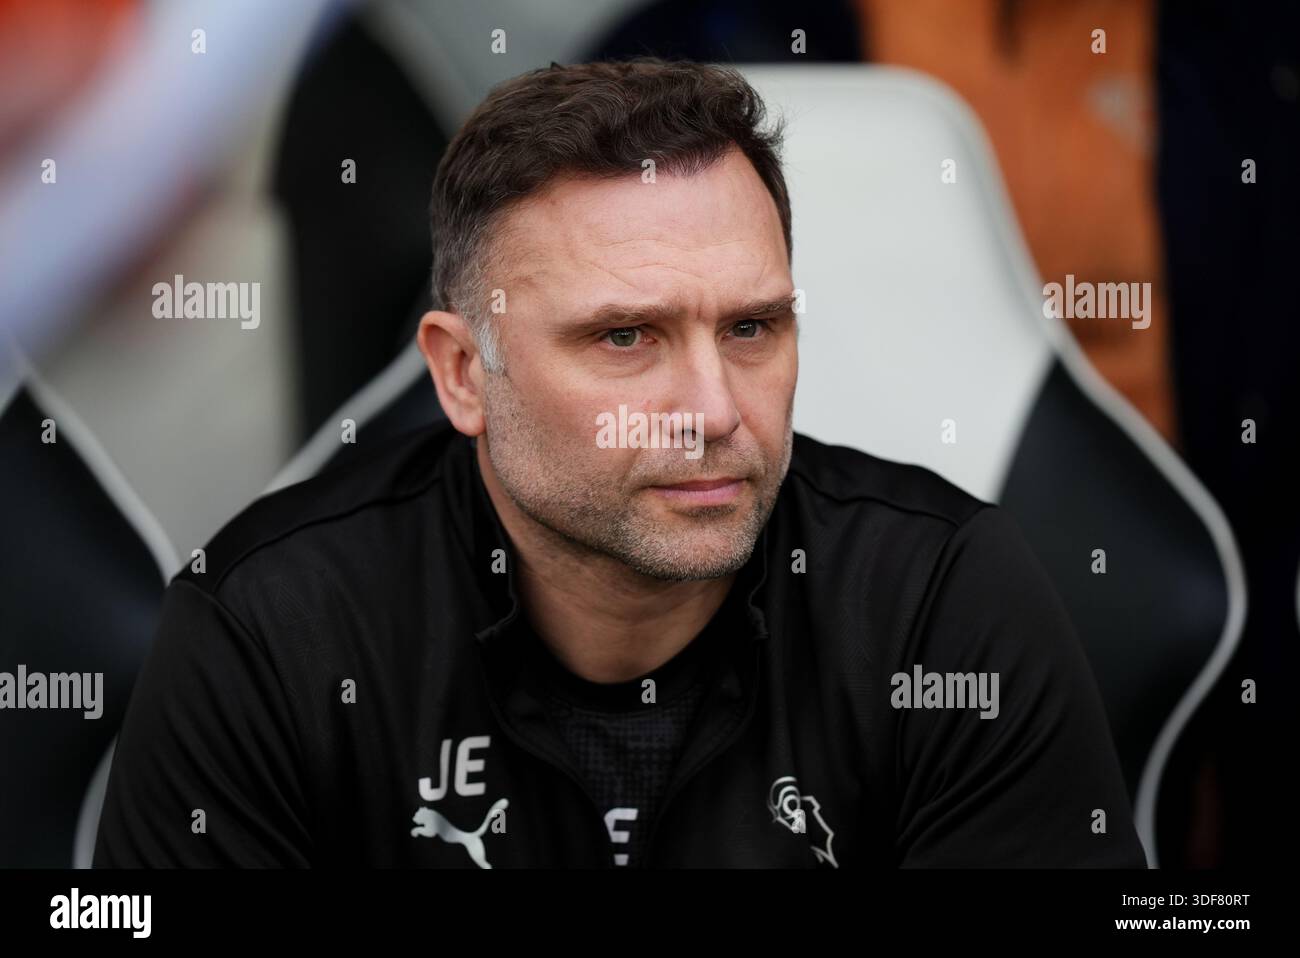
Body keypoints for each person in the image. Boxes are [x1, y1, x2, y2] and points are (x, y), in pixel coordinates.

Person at [93, 58, 1146, 868]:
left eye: (750, 328)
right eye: (624, 338)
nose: (712, 410)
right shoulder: (271, 631)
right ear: (463, 373)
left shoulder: (941, 604)